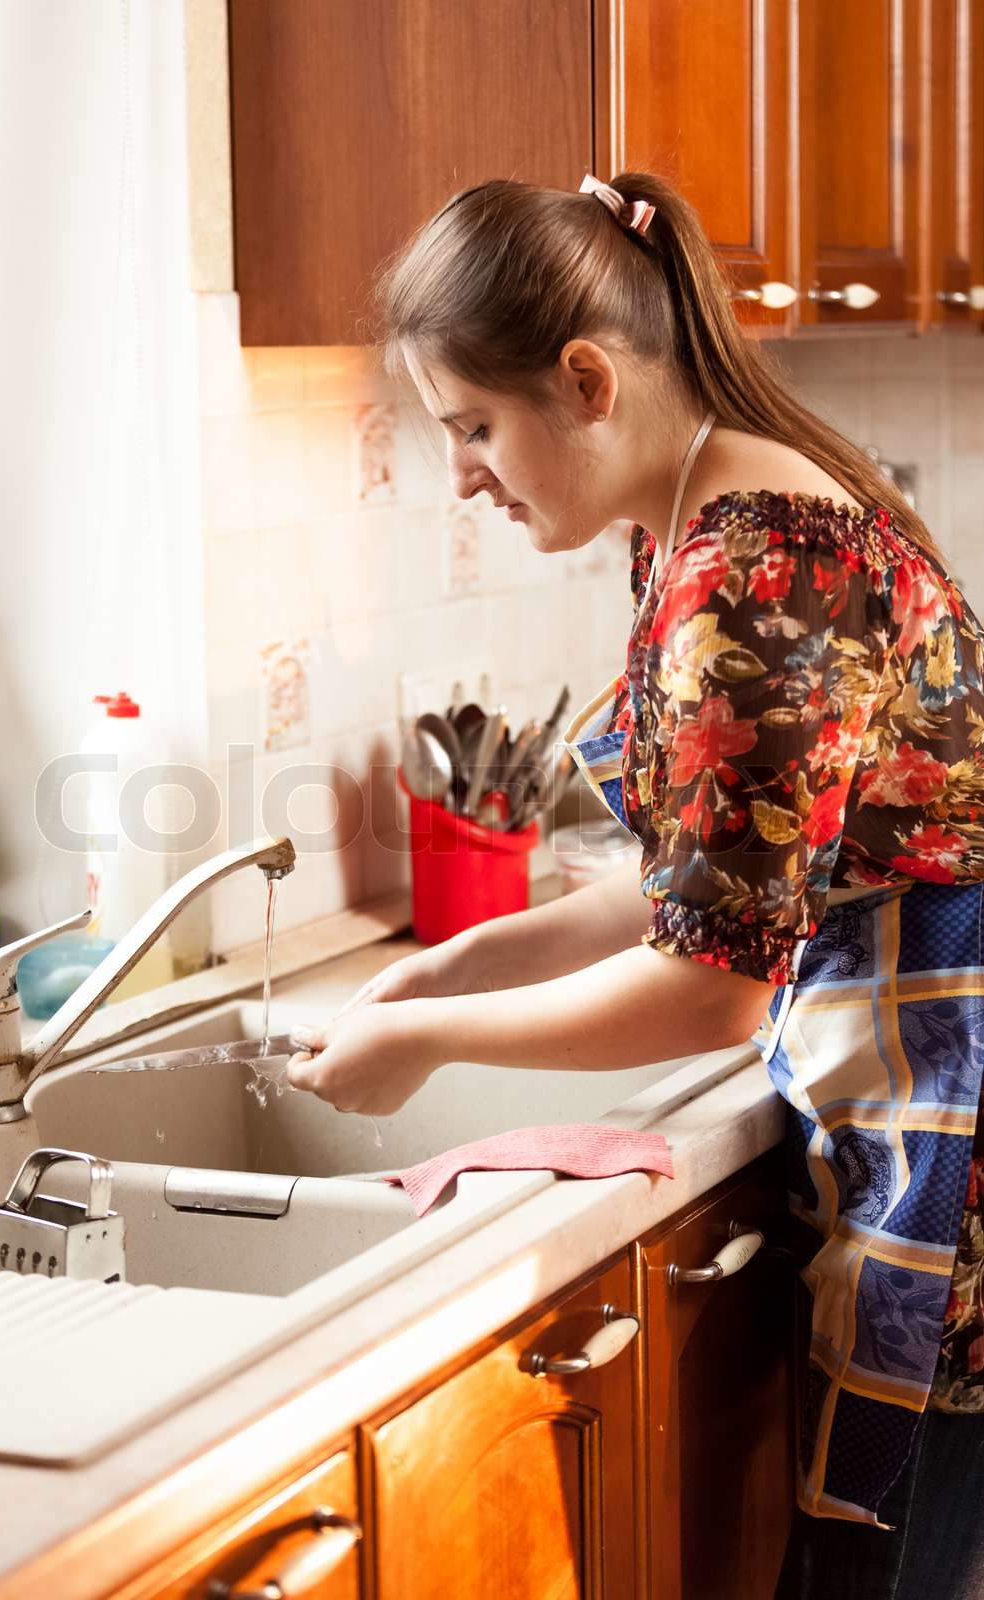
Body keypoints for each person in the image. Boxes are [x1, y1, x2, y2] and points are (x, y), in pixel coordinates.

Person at [285, 170, 984, 1594]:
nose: (464, 476)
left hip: (953, 1136)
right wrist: (453, 965)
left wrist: (420, 1040)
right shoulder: (701, 520)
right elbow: (700, 885)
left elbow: (709, 991)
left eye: (472, 427)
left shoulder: (758, 566)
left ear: (585, 379)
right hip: (903, 1090)